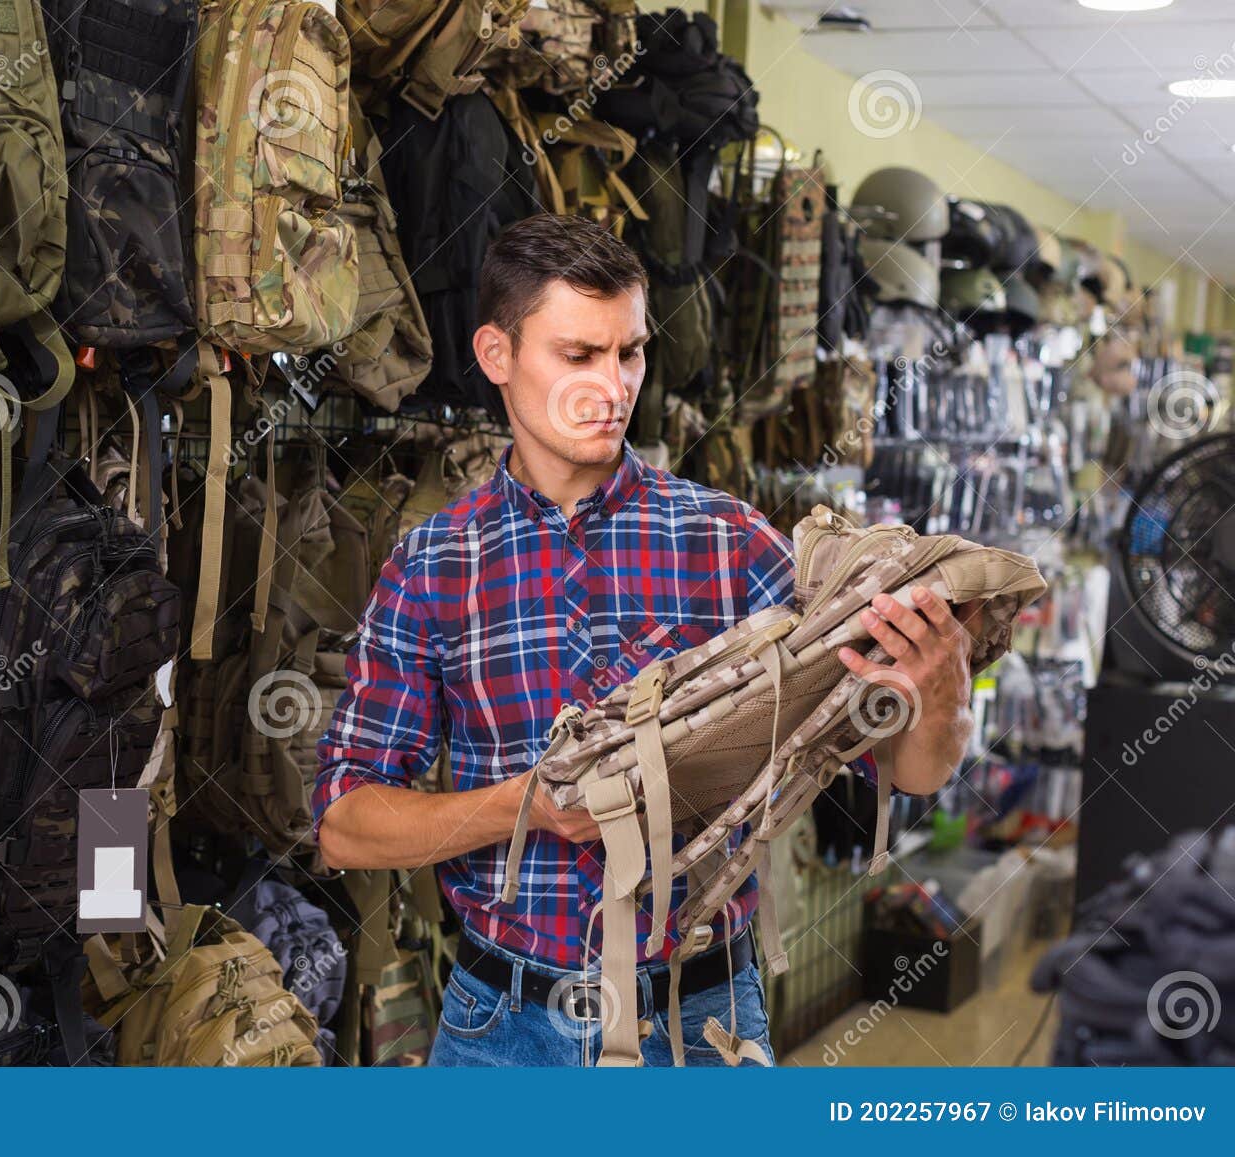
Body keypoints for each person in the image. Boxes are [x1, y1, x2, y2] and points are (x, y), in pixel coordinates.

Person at [310, 214, 980, 1066]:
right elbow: (344, 823)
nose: (615, 386)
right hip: (501, 1030)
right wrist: (533, 807)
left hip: (699, 1023)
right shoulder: (432, 563)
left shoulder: (730, 543)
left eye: (629, 353)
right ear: (496, 355)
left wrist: (943, 689)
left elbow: (904, 771)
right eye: (579, 355)